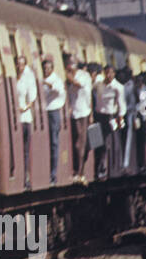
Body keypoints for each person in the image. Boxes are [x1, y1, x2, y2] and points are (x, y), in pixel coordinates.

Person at [92, 62, 125, 181]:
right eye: (106, 73)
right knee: (96, 142)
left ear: (114, 74)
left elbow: (121, 104)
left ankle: (104, 168)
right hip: (98, 115)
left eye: (111, 73)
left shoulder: (118, 87)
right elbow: (91, 88)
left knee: (106, 143)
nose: (109, 75)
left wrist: (120, 117)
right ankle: (95, 169)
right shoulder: (99, 84)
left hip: (110, 116)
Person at [65, 54, 93, 184]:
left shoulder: (84, 76)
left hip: (83, 112)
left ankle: (80, 172)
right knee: (76, 143)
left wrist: (91, 114)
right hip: (74, 112)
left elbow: (78, 85)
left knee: (81, 144)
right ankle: (77, 171)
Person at [15, 51, 37, 191]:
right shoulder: (14, 78)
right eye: (18, 64)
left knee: (25, 151)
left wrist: (24, 108)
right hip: (16, 118)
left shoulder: (28, 78)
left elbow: (32, 99)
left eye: (22, 64)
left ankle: (26, 178)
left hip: (25, 118)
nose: (19, 66)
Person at [41, 55, 65, 185]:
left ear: (52, 69)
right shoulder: (43, 79)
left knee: (54, 142)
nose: (45, 71)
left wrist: (45, 83)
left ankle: (53, 174)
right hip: (45, 111)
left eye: (48, 68)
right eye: (44, 68)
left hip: (54, 111)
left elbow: (58, 89)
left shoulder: (56, 79)